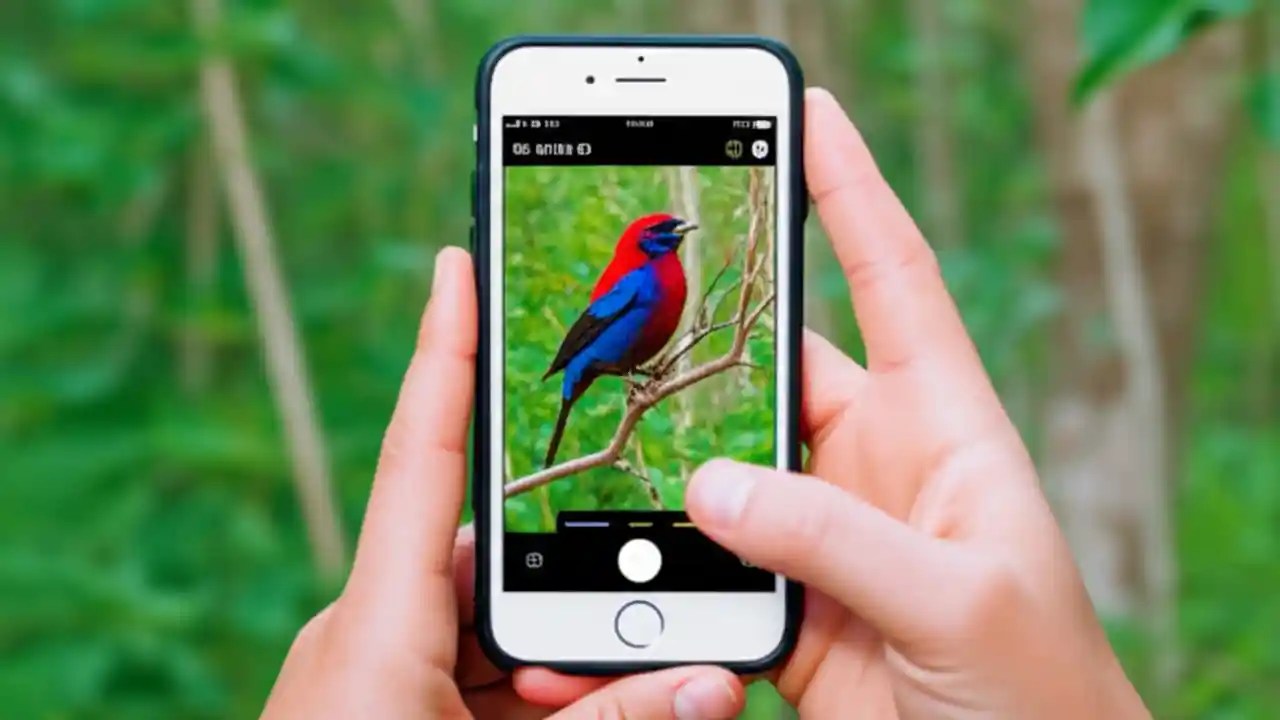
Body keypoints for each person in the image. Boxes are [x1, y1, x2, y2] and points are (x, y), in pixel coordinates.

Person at [260, 89, 1152, 719]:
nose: (674, 235)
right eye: (665, 233)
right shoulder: (635, 280)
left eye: (673, 230)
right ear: (646, 244)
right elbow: (591, 335)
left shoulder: (673, 283)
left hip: (628, 367)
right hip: (593, 366)